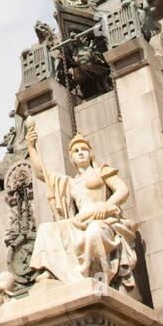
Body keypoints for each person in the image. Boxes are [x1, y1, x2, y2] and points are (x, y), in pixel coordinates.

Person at [24, 121, 137, 291]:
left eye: (84, 149)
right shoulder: (70, 182)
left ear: (90, 154)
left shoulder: (101, 171)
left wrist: (106, 206)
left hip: (103, 219)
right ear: (72, 159)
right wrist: (31, 146)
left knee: (93, 233)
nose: (81, 153)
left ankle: (87, 276)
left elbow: (122, 190)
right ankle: (54, 270)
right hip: (79, 221)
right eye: (76, 151)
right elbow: (41, 173)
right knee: (46, 229)